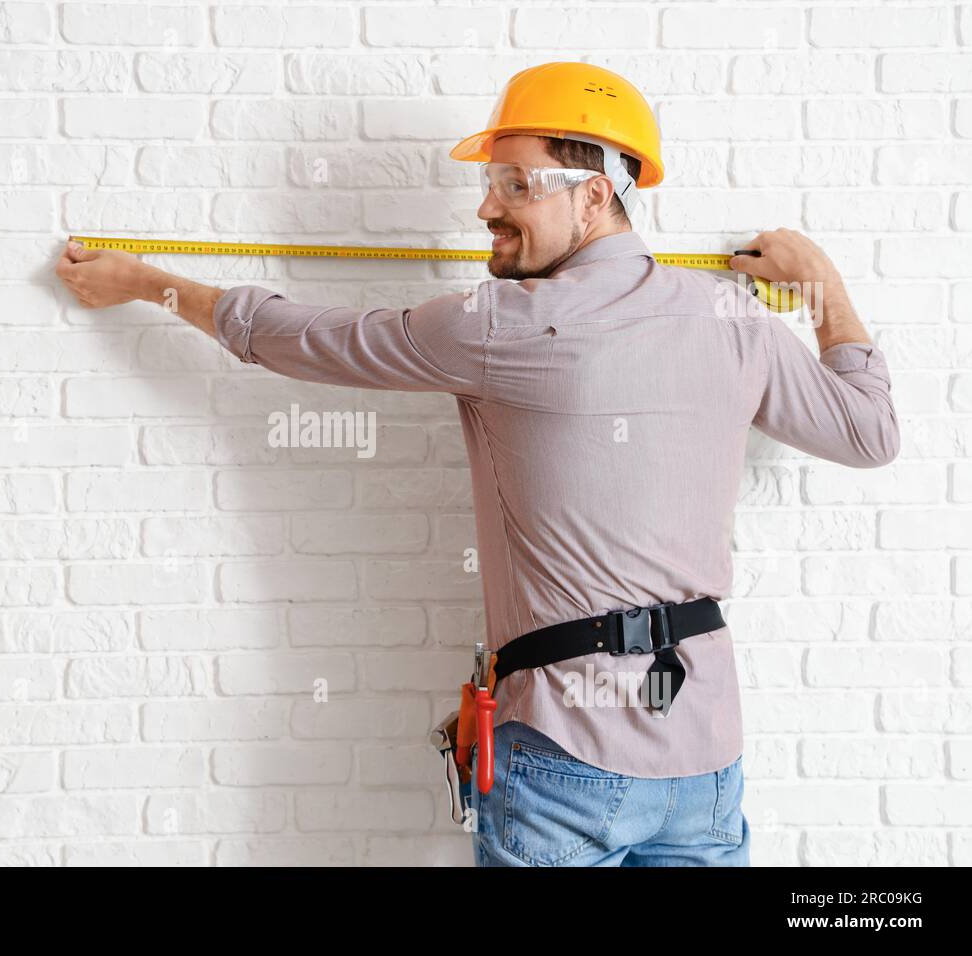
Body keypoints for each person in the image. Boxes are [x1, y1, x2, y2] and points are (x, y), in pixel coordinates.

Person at [54, 62, 900, 867]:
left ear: (597, 193)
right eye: (488, 183)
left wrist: (146, 284)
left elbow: (298, 337)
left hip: (567, 758)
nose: (486, 208)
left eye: (516, 185)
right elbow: (869, 431)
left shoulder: (497, 325)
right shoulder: (733, 320)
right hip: (705, 760)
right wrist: (822, 288)